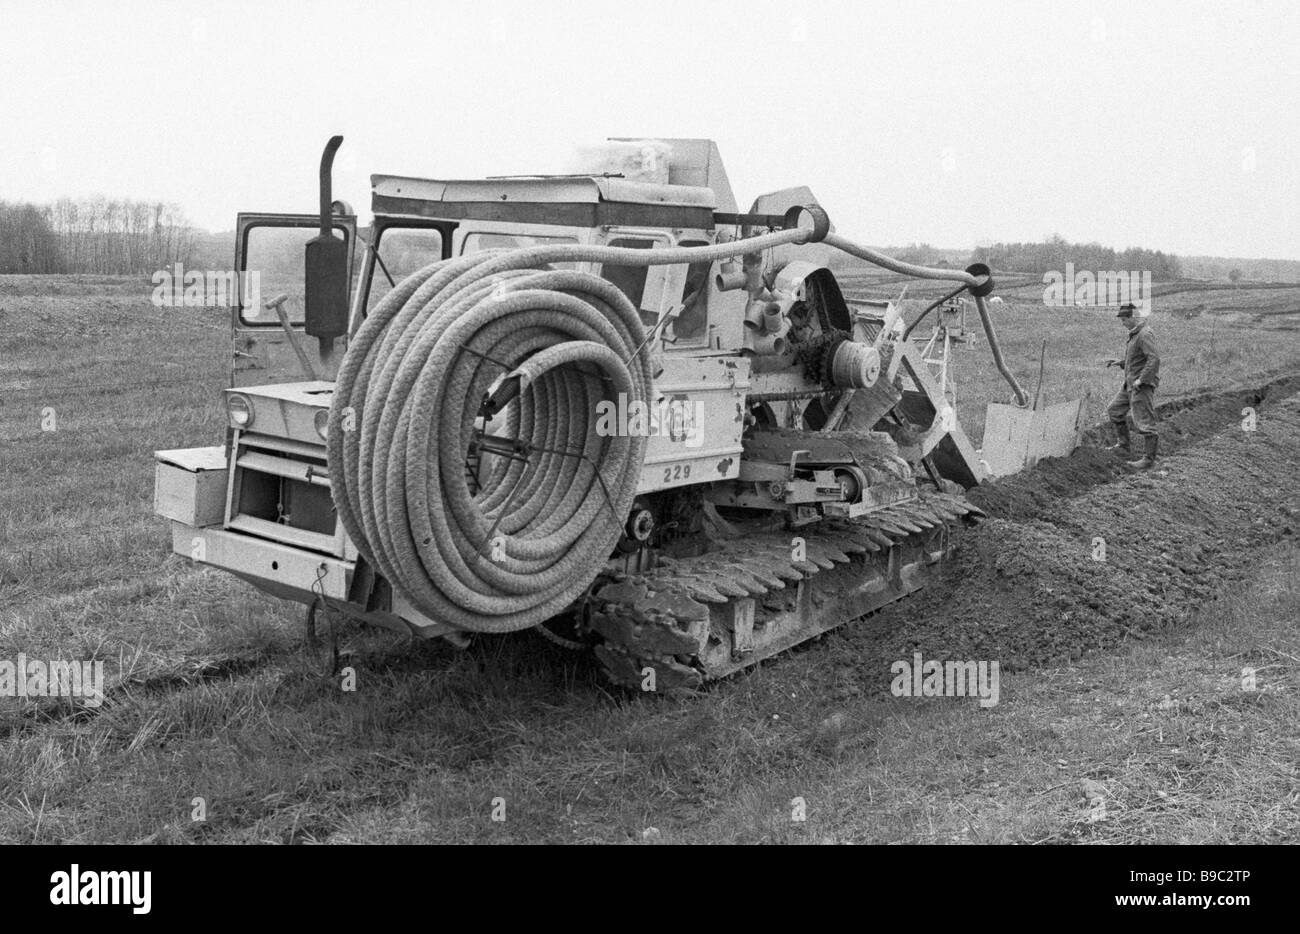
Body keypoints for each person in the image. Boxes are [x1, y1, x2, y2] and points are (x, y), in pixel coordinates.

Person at [1104, 302, 1160, 470]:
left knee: (1144, 422)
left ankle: (1148, 460)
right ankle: (1123, 445)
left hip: (1140, 386)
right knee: (1114, 410)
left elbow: (1154, 359)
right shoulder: (1135, 335)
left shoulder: (1144, 334)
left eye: (1123, 320)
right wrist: (1120, 362)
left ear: (1131, 318)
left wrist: (1141, 380)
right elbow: (1137, 359)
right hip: (1129, 384)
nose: (1122, 324)